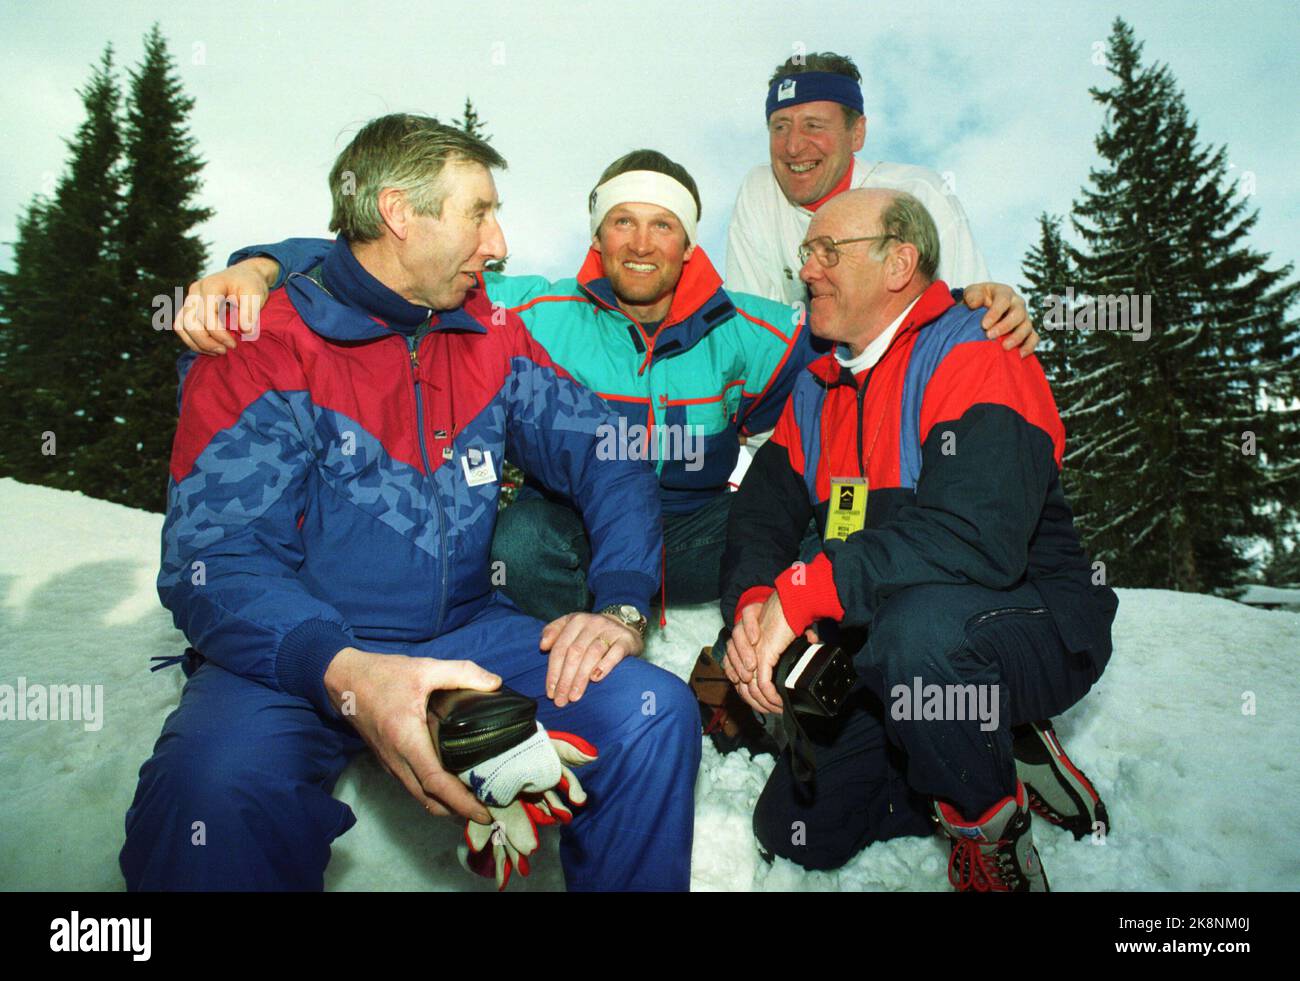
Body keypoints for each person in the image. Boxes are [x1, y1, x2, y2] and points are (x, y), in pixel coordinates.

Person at [120, 115, 701, 892]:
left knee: (652, 713)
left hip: (460, 632)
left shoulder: (489, 332)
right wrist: (347, 670)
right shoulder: (259, 343)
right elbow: (214, 562)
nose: (498, 243)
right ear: (398, 213)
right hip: (291, 654)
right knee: (208, 797)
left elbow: (609, 450)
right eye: (479, 213)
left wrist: (623, 604)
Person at [172, 152, 1036, 625]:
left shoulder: (761, 328)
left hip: (697, 528)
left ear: (687, 243)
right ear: (600, 233)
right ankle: (575, 645)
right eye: (622, 220)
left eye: (663, 224)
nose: (640, 241)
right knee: (517, 536)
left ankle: (802, 654)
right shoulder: (531, 307)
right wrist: (259, 264)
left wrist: (969, 302)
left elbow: (866, 318)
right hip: (578, 525)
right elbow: (386, 262)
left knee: (809, 519)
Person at [719, 188, 1118, 891]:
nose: (806, 269)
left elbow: (979, 538)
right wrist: (756, 602)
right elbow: (758, 516)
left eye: (826, 251)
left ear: (900, 261)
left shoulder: (977, 347)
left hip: (1025, 621)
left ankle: (987, 830)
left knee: (921, 631)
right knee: (794, 828)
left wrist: (809, 589)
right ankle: (986, 748)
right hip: (891, 645)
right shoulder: (815, 386)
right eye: (804, 252)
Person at [727, 52, 992, 309]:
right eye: (780, 127)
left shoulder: (920, 195)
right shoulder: (761, 190)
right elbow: (750, 326)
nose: (793, 146)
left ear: (857, 133)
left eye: (813, 125)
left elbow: (972, 316)